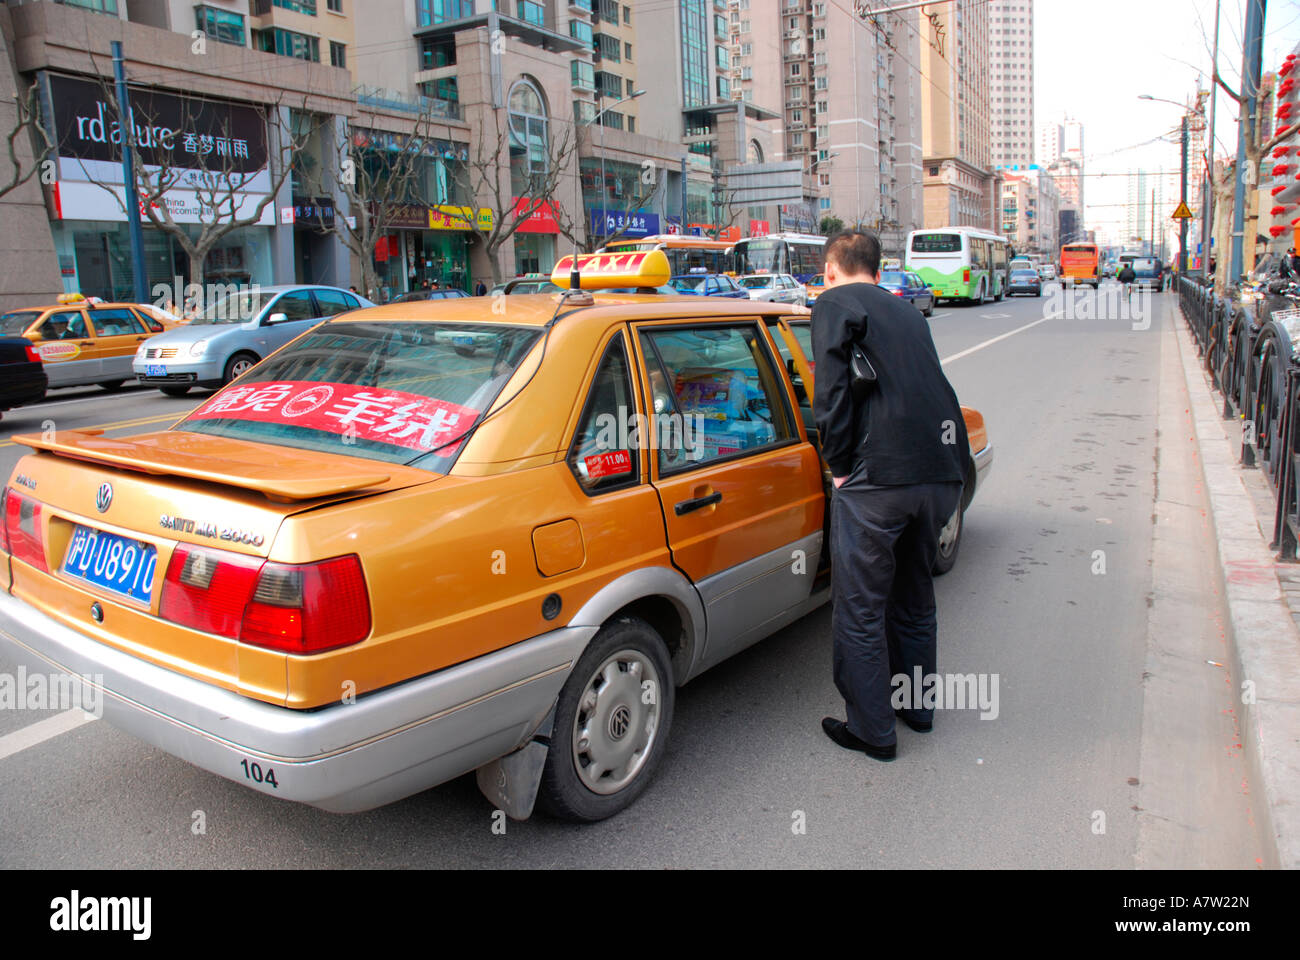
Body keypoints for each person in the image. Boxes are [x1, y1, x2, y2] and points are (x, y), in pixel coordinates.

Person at [811, 230, 969, 762]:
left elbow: (830, 392)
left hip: (878, 481)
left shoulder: (834, 302)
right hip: (938, 475)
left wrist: (837, 466)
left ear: (832, 270)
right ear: (878, 271)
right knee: (914, 597)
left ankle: (873, 731)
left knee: (860, 611)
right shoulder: (906, 312)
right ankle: (918, 709)